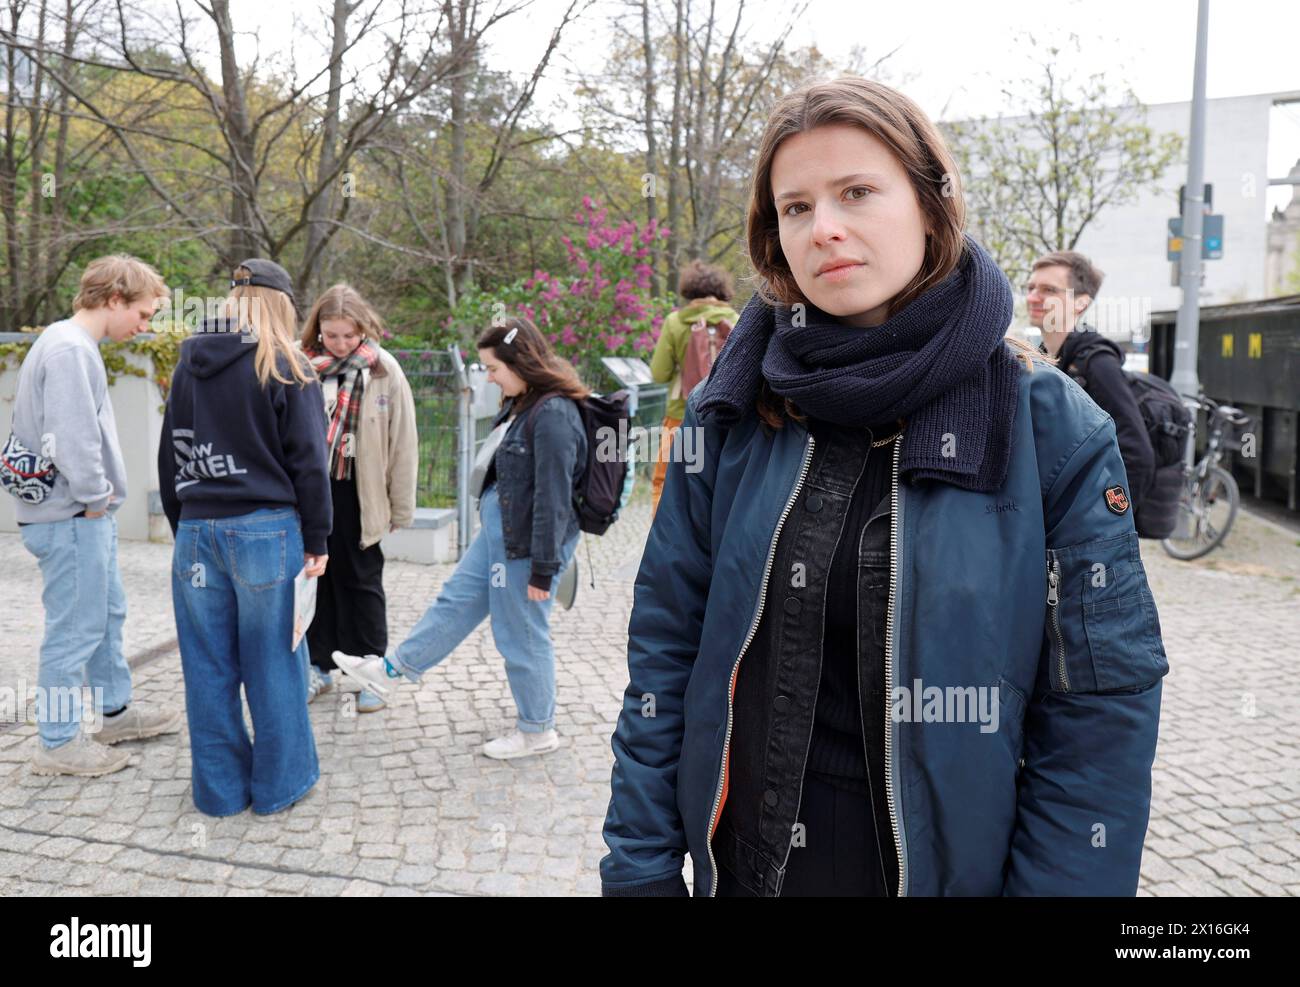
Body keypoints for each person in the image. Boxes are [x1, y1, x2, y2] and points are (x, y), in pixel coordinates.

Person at [600, 77, 1168, 897]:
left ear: (932, 204)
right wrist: (641, 870)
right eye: (795, 208)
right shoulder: (733, 409)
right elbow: (663, 656)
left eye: (857, 192)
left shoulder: (1049, 427)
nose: (823, 227)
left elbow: (1097, 720)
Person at [333, 316, 586, 760]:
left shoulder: (554, 413)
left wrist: (544, 571)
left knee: (521, 632)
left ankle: (537, 729)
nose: (488, 378)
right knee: (455, 601)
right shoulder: (523, 401)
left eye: (492, 369)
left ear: (519, 362)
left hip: (524, 545)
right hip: (501, 533)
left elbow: (554, 498)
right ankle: (390, 672)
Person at [158, 259, 332, 816]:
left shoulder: (188, 364)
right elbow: (309, 462)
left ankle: (220, 793)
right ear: (281, 303)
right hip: (265, 530)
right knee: (274, 661)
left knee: (206, 666)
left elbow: (170, 457)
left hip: (196, 529)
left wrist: (184, 526)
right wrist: (319, 539)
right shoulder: (287, 364)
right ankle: (280, 786)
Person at [12, 254, 182, 777]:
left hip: (78, 515)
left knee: (104, 617)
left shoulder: (70, 343)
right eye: (145, 314)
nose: (146, 326)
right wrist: (92, 499)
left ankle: (114, 713)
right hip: (72, 517)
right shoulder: (69, 350)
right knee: (75, 629)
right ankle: (59, 744)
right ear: (114, 299)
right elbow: (71, 438)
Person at [300, 284, 418, 714]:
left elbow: (403, 440)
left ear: (363, 328)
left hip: (359, 493)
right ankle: (318, 666)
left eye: (349, 335)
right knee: (316, 581)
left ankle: (369, 669)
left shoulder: (384, 369)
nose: (341, 343)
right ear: (318, 329)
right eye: (332, 335)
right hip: (312, 492)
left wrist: (401, 504)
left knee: (362, 582)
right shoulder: (299, 364)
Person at [1029, 250, 1157, 515]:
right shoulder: (1040, 359)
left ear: (1081, 303)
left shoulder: (1098, 364)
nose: (1032, 297)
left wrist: (1103, 524)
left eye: (1048, 290)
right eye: (1030, 288)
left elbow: (1137, 455)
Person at [648, 260, 739, 515]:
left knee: (665, 482)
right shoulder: (735, 319)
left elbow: (659, 374)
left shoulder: (675, 322)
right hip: (725, 419)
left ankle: (663, 544)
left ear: (688, 291)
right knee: (717, 485)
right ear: (721, 291)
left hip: (680, 416)